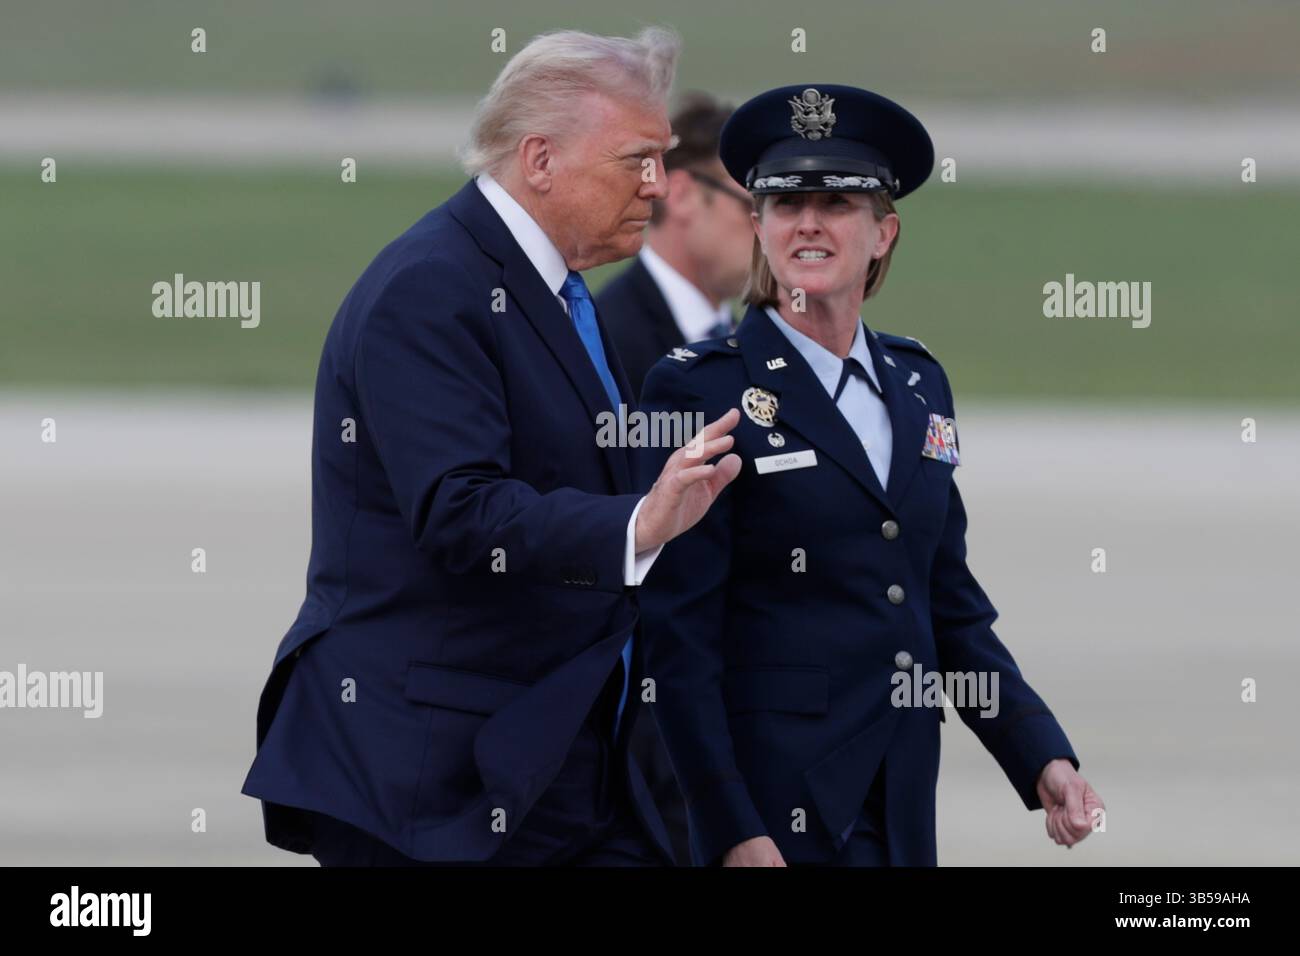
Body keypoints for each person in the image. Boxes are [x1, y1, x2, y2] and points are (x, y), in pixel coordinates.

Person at [240, 28, 742, 866]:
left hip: (547, 763)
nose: (658, 185)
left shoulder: (559, 293)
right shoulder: (432, 287)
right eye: (635, 159)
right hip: (430, 781)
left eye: (661, 159)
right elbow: (458, 510)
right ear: (539, 159)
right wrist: (636, 528)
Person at [636, 84, 1104, 866]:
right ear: (757, 225)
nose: (809, 223)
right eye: (787, 204)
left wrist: (1040, 754)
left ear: (883, 231)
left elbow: (944, 602)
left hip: (897, 804)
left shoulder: (918, 384)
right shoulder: (700, 388)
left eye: (837, 202)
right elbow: (678, 642)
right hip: (775, 811)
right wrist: (730, 830)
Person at [597, 92, 753, 398]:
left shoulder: (745, 338)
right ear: (681, 196)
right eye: (749, 207)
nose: (767, 230)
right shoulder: (606, 344)